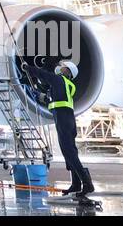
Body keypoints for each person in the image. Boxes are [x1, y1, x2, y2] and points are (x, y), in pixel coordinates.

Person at [25, 59, 93, 196]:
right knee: (70, 152)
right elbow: (54, 100)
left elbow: (44, 75)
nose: (59, 68)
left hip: (63, 119)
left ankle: (87, 183)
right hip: (67, 119)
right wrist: (44, 97)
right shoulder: (66, 84)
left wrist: (28, 68)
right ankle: (76, 184)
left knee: (69, 152)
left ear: (67, 71)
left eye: (62, 67)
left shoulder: (59, 80)